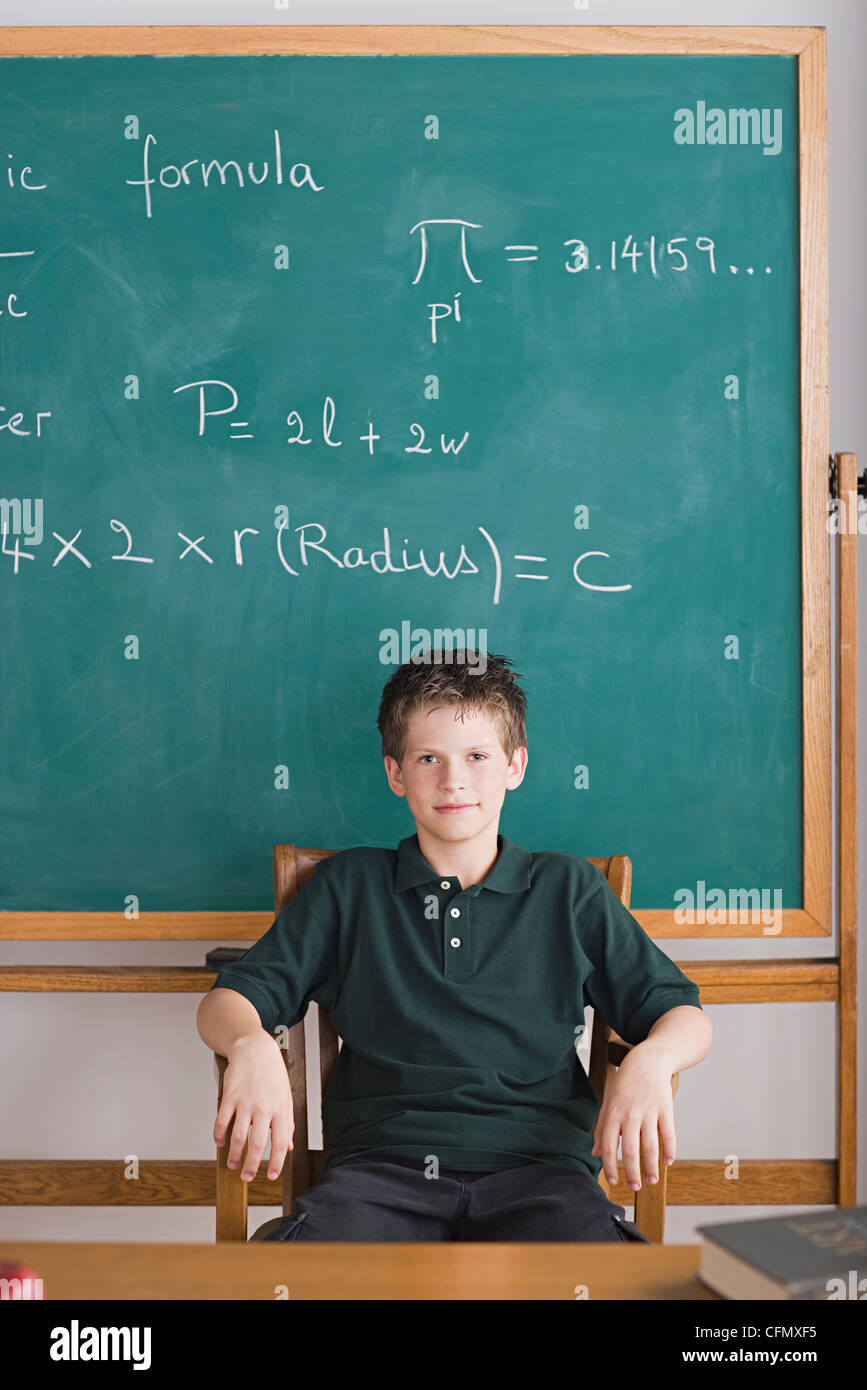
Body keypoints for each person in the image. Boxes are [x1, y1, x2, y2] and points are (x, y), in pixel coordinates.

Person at [196, 648, 711, 1242]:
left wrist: (653, 1057)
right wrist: (249, 1041)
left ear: (515, 765)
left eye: (476, 756)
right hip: (377, 1179)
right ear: (396, 772)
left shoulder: (568, 890)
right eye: (428, 758)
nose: (454, 780)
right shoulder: (350, 887)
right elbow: (225, 1002)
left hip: (542, 1179)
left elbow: (685, 1016)